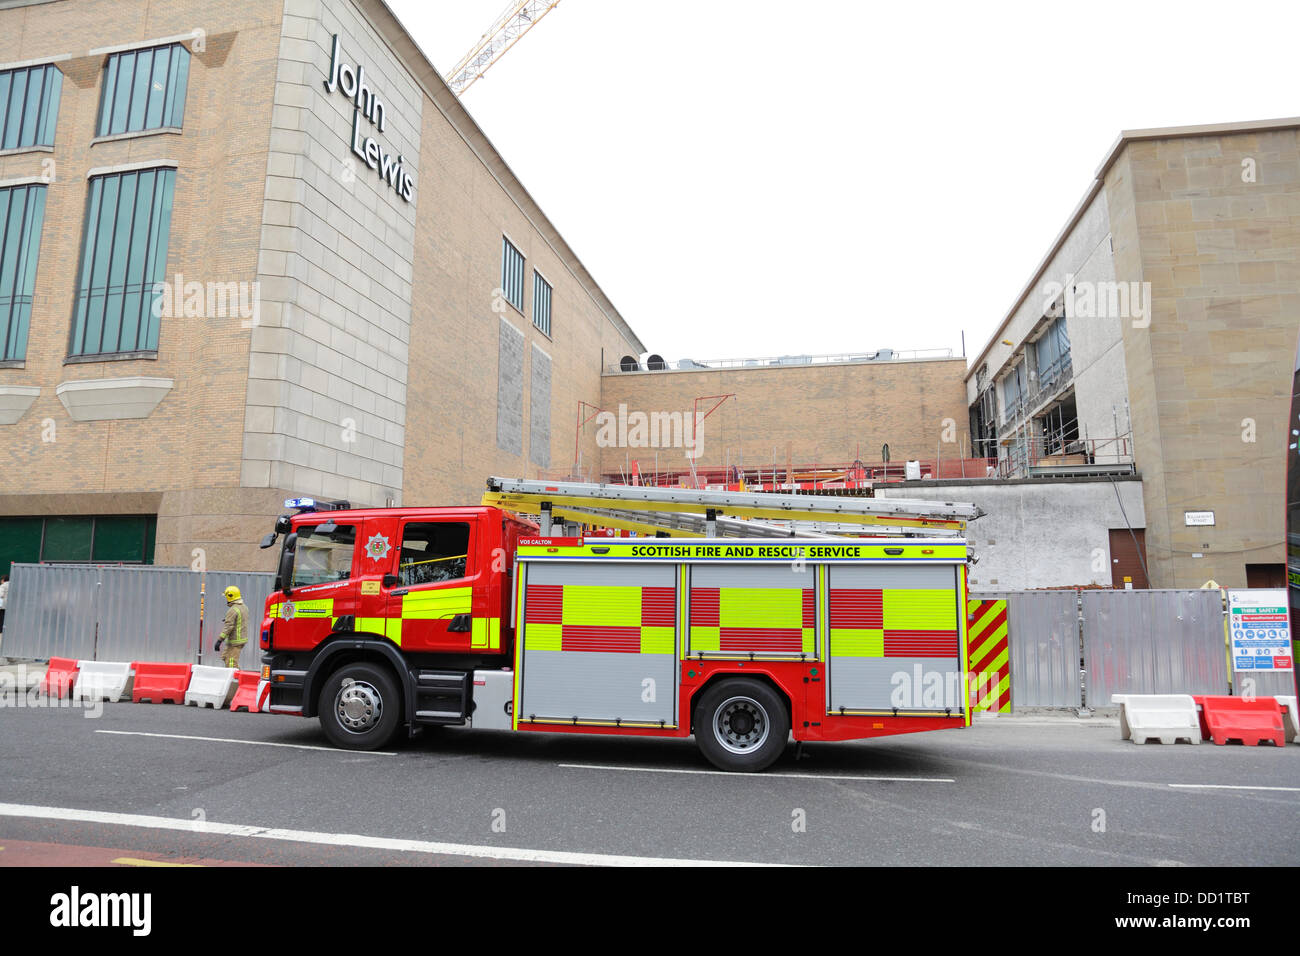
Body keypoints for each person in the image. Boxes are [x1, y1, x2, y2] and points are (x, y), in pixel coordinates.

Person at [214, 586, 248, 668]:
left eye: (226, 597)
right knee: (226, 657)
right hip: (239, 640)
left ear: (230, 596)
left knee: (232, 664)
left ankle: (235, 680)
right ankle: (232, 678)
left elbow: (228, 627)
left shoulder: (233, 610)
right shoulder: (244, 607)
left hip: (235, 641)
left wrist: (219, 640)